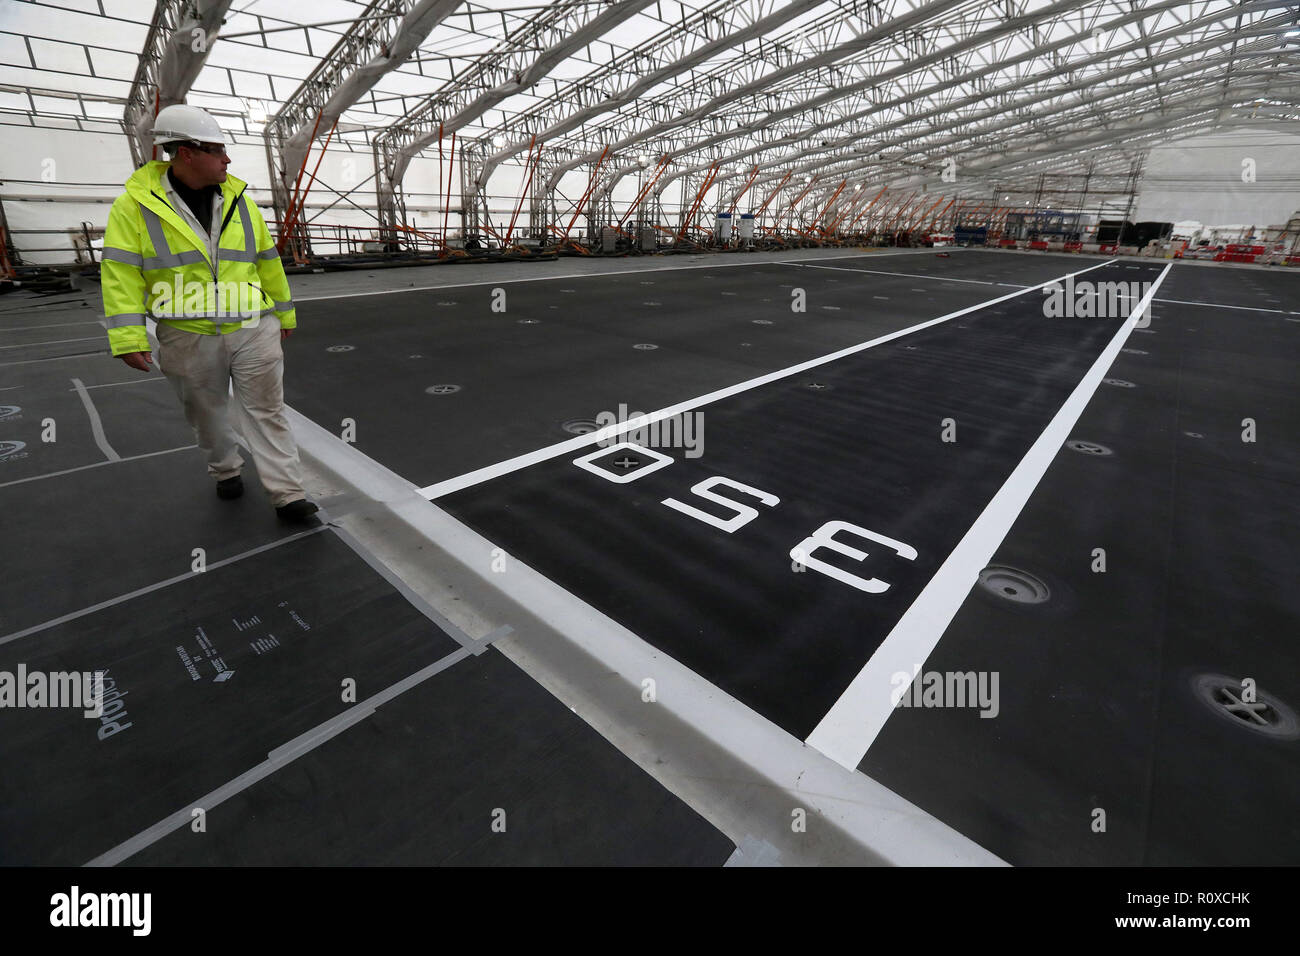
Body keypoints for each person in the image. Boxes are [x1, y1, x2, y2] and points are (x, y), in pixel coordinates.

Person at [99, 103, 317, 522]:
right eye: (217, 149)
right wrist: (127, 337)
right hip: (186, 333)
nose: (227, 158)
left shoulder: (241, 201)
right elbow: (120, 273)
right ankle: (226, 469)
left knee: (267, 411)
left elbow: (266, 261)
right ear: (185, 153)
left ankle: (288, 494)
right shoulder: (134, 207)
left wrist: (284, 314)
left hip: (254, 326)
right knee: (206, 413)